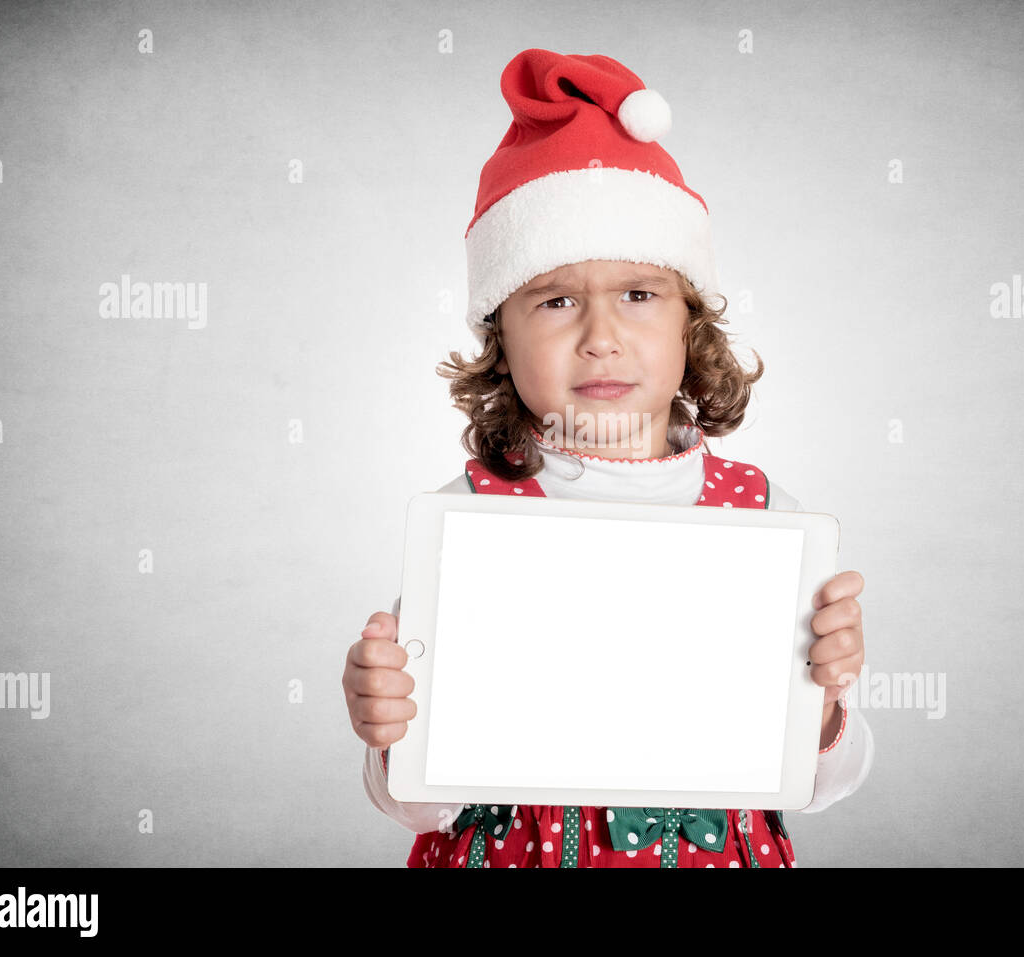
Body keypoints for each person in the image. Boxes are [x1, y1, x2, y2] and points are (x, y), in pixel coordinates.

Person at [342, 48, 872, 868]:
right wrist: (389, 729)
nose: (600, 337)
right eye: (554, 300)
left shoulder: (767, 516)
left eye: (639, 294)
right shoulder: (468, 519)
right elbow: (417, 803)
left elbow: (819, 782)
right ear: (501, 338)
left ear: (688, 323)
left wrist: (828, 705)